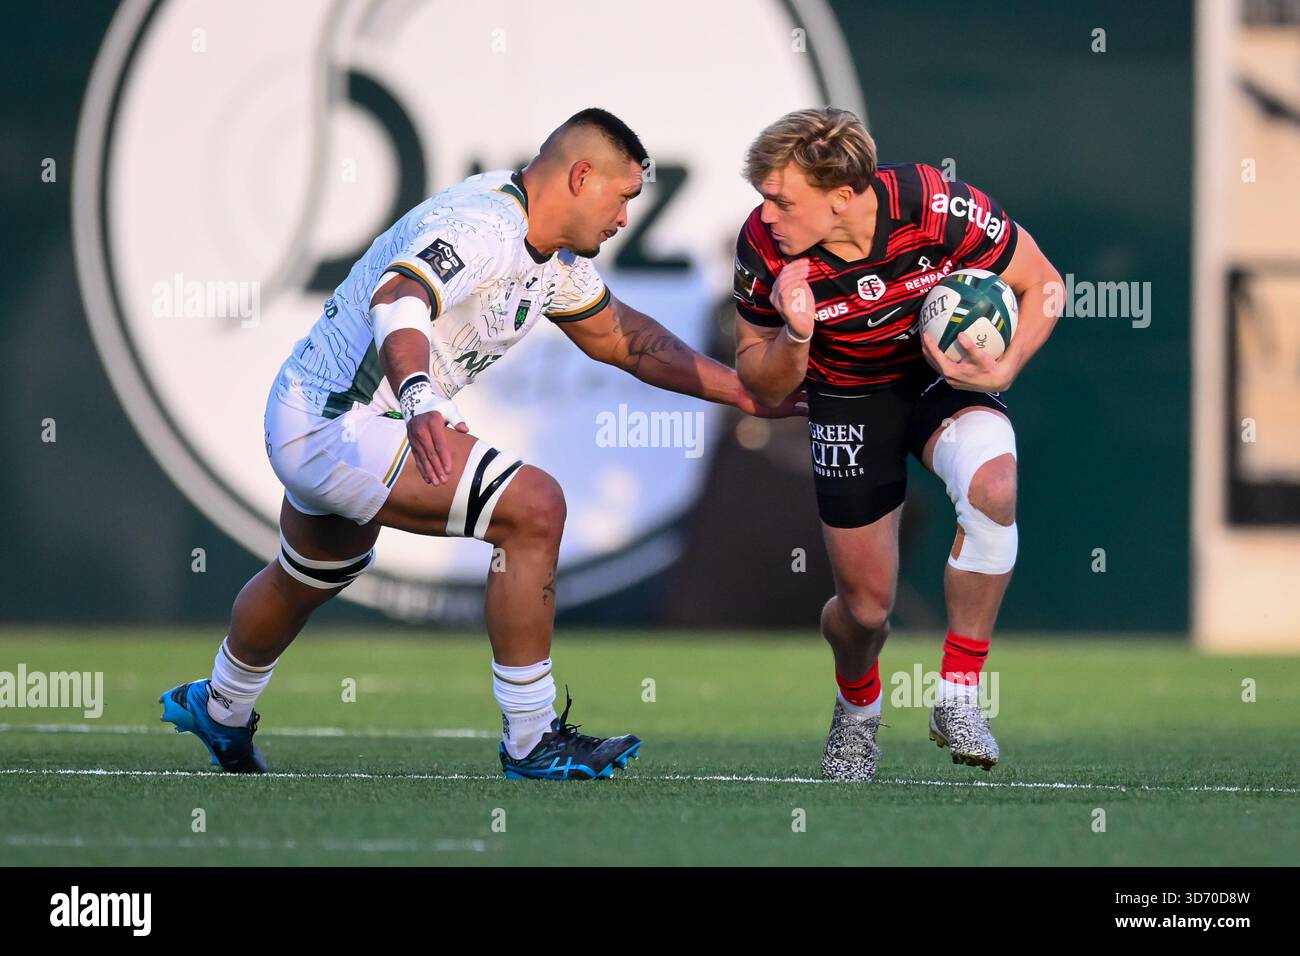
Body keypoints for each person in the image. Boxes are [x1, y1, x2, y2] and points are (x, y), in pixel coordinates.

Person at [159, 108, 801, 780]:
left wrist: (747, 393)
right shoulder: (483, 226)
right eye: (624, 197)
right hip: (340, 423)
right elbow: (400, 295)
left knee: (310, 574)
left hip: (314, 415)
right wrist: (420, 398)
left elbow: (624, 340)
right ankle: (531, 738)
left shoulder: (549, 250)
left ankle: (222, 705)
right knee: (535, 510)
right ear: (581, 177)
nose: (624, 219)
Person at [732, 107, 1062, 780]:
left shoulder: (937, 206)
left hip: (941, 378)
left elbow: (1047, 285)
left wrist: (1006, 366)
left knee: (994, 488)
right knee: (866, 610)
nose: (766, 215)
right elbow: (760, 384)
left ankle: (960, 696)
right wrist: (794, 336)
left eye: (782, 199)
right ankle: (857, 709)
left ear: (843, 196)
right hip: (848, 396)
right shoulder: (764, 249)